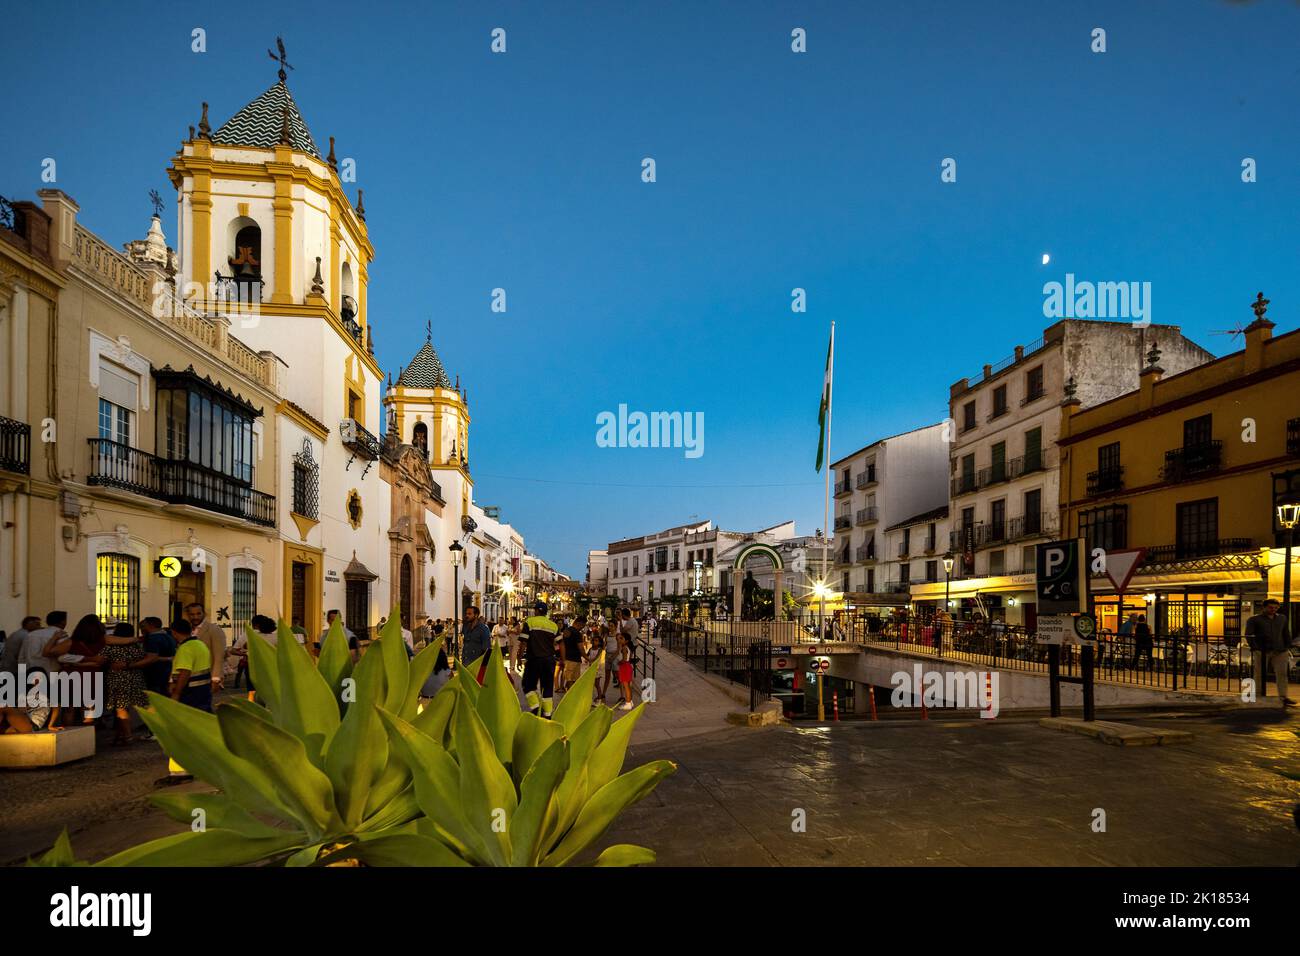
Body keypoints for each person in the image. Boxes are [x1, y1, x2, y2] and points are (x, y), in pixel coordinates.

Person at [162, 618, 211, 784]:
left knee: (178, 733)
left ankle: (179, 772)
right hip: (202, 694)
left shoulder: (186, 649)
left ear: (174, 632)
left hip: (188, 695)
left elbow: (184, 672)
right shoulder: (201, 645)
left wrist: (176, 693)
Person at [103, 622, 153, 745]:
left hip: (118, 679)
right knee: (138, 706)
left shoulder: (111, 647)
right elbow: (144, 657)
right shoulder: (136, 646)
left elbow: (101, 660)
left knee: (121, 708)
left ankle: (127, 735)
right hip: (136, 677)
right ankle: (122, 733)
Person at [1245, 598, 1295, 706]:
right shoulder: (1254, 619)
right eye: (1271, 607)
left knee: (1282, 674)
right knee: (1259, 674)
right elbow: (1249, 635)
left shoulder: (1282, 618)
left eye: (1276, 608)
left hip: (1280, 650)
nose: (1273, 610)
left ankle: (1283, 697)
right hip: (1262, 650)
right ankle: (1258, 696)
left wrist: (1287, 646)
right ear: (1264, 607)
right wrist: (1255, 647)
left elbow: (1286, 632)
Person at [520, 601, 558, 718]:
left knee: (527, 685)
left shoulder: (529, 622)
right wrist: (562, 660)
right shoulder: (553, 625)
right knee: (547, 688)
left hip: (534, 660)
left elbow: (523, 642)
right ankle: (547, 714)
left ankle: (536, 707)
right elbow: (560, 644)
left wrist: (519, 657)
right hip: (549, 660)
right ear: (546, 612)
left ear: (536, 611)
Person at [184, 603, 227, 694]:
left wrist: (216, 678)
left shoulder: (214, 629)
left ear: (204, 613)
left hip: (206, 677)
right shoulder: (187, 630)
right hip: (188, 677)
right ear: (188, 615)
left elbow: (219, 656)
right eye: (192, 614)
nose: (195, 617)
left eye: (198, 614)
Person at [140, 617, 176, 699]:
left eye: (144, 625)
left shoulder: (153, 638)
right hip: (168, 670)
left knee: (154, 696)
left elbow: (151, 658)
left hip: (155, 671)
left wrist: (132, 665)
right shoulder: (169, 636)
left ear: (151, 625)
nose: (142, 628)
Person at [460, 605, 493, 682]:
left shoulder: (483, 629)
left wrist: (483, 666)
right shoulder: (466, 627)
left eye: (469, 614)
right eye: (466, 614)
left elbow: (486, 648)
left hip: (477, 663)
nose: (467, 616)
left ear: (476, 615)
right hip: (466, 661)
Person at [559, 615, 585, 691]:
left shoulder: (566, 630)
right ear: (579, 623)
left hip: (568, 659)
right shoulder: (577, 634)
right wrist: (587, 658)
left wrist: (563, 659)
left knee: (569, 680)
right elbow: (581, 648)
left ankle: (569, 695)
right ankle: (570, 699)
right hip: (575, 659)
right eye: (583, 625)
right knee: (573, 681)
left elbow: (562, 646)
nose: (582, 628)